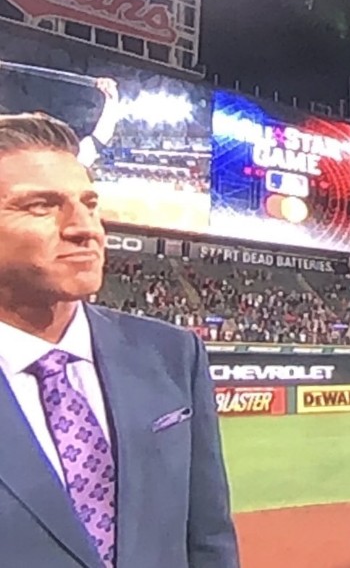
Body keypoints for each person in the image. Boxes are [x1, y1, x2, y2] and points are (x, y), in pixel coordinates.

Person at [0, 112, 239, 568]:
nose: (85, 227)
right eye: (40, 206)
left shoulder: (172, 355)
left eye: (89, 203)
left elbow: (208, 539)